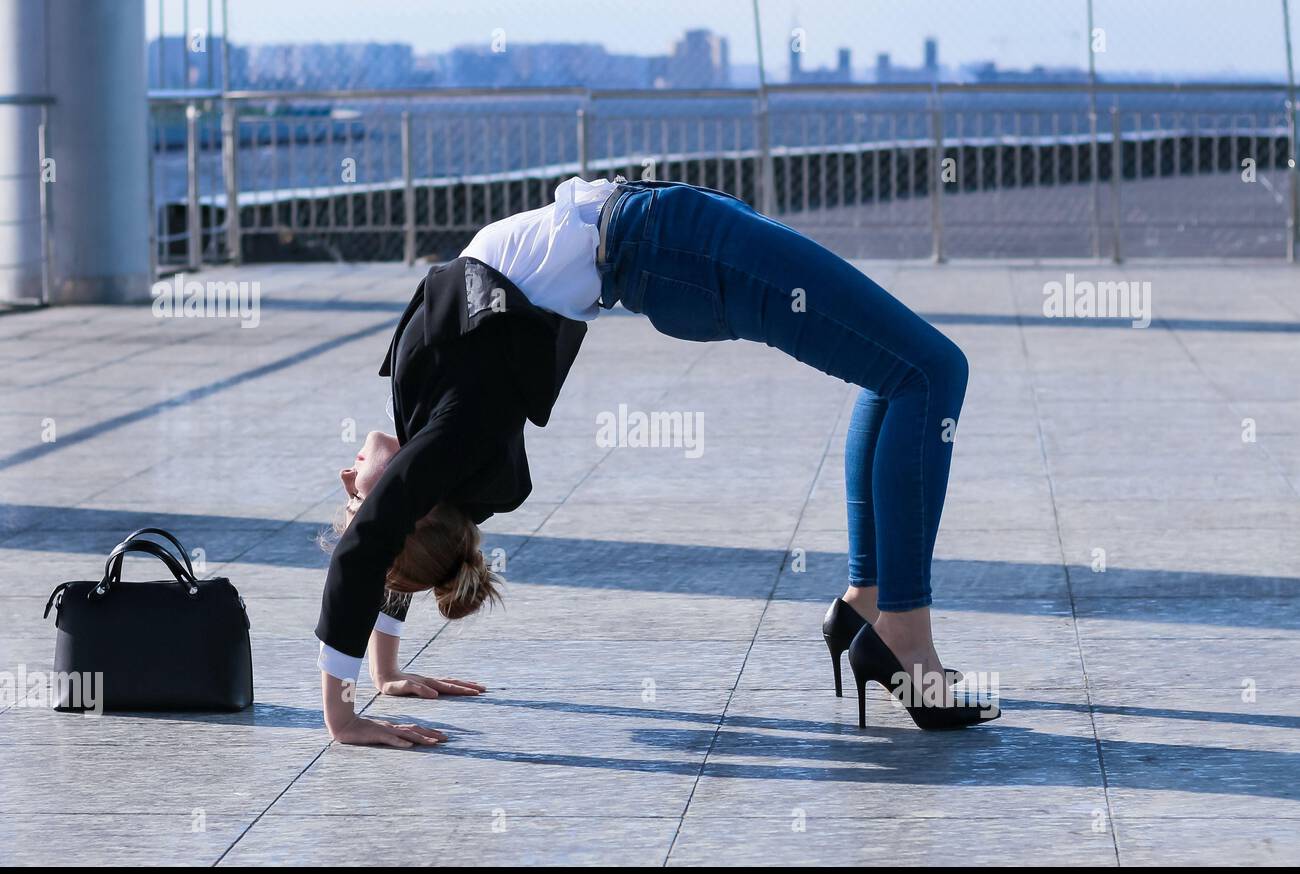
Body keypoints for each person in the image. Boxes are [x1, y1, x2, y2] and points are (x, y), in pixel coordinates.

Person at [316, 175, 997, 747]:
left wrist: (385, 669)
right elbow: (381, 535)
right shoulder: (455, 435)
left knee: (895, 373)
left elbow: (395, 532)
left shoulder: (427, 426)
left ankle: (866, 607)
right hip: (674, 248)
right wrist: (342, 713)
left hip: (664, 229)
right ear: (415, 506)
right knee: (930, 372)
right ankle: (904, 640)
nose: (350, 480)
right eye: (358, 499)